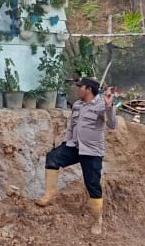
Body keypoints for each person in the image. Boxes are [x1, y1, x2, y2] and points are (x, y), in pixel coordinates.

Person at [36, 76, 117, 235]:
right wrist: (66, 142)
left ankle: (97, 221)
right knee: (53, 157)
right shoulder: (78, 105)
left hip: (92, 152)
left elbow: (112, 125)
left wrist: (109, 106)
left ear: (88, 89)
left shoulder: (101, 105)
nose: (77, 89)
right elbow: (71, 126)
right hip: (74, 146)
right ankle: (50, 193)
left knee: (92, 185)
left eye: (80, 87)